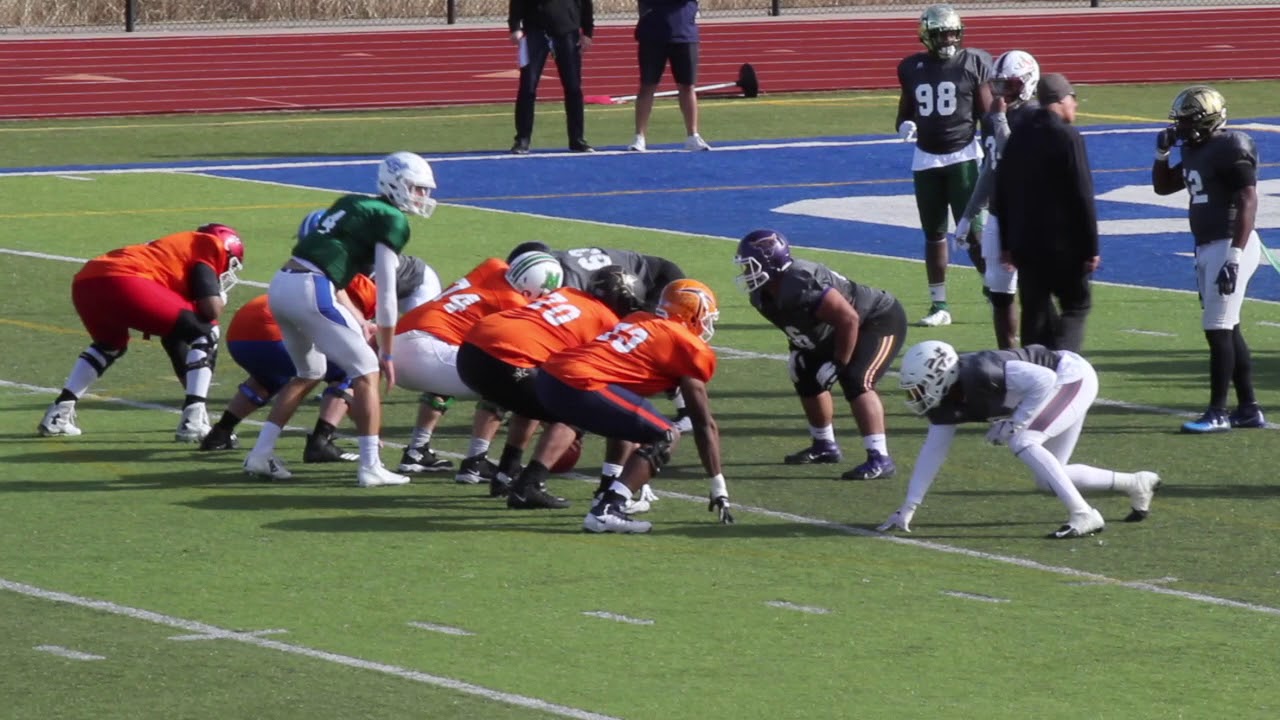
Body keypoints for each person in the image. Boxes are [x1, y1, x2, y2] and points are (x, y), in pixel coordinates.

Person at [241, 151, 437, 487]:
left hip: (282, 283)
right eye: (416, 188)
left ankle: (261, 453)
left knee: (309, 372)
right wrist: (387, 352)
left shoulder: (352, 202)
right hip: (311, 287)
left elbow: (332, 257)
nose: (422, 196)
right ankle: (371, 465)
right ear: (395, 184)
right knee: (367, 370)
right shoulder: (392, 219)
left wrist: (357, 317)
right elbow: (387, 294)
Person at [881, 340, 1162, 539]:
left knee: (1023, 440)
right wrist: (909, 507)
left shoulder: (982, 371)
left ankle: (1083, 514)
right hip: (1053, 388)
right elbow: (933, 452)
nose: (915, 396)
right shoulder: (944, 402)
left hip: (1071, 376)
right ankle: (1135, 483)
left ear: (941, 376)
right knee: (1048, 479)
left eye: (920, 388)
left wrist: (1016, 422)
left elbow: (1045, 379)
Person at [534, 279, 732, 533]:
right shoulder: (687, 344)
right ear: (692, 315)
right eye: (705, 317)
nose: (706, 324)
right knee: (666, 434)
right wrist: (718, 484)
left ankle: (606, 494)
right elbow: (703, 423)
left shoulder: (639, 319)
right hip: (579, 382)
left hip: (549, 378)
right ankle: (608, 509)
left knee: (631, 422)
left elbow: (624, 419)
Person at [457, 266, 643, 508]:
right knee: (576, 410)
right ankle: (530, 486)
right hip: (506, 358)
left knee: (535, 395)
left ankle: (506, 473)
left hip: (470, 351)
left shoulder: (567, 293)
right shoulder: (607, 322)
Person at [37, 224, 244, 442]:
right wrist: (219, 298)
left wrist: (194, 398)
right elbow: (210, 310)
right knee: (208, 330)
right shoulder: (209, 244)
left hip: (87, 281)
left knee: (110, 344)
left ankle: (58, 414)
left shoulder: (172, 257)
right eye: (231, 264)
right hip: (124, 280)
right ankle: (193, 421)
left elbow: (175, 343)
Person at [734, 229, 908, 480]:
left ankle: (880, 458)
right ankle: (824, 445)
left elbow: (849, 318)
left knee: (856, 379)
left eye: (751, 266)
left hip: (877, 319)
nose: (746, 273)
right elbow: (798, 322)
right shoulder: (762, 294)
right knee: (804, 371)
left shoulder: (801, 281)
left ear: (772, 263)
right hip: (836, 326)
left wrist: (839, 362)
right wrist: (798, 350)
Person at [391, 249, 565, 481]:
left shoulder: (492, 267)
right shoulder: (513, 304)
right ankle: (476, 461)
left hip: (401, 339)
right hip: (427, 349)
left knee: (449, 374)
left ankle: (417, 451)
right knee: (503, 378)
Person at [1152, 85, 1266, 433]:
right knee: (1228, 328)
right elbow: (1163, 186)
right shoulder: (1195, 149)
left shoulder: (1232, 146)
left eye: (1187, 121)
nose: (1181, 127)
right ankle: (1248, 409)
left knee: (1217, 329)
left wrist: (1234, 256)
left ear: (1208, 119)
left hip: (1230, 243)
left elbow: (1248, 198)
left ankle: (1218, 412)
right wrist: (1161, 154)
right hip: (1207, 246)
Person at [198, 273, 383, 464]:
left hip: (239, 337)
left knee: (269, 379)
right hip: (271, 337)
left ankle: (220, 433)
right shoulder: (331, 306)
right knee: (346, 373)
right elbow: (356, 381)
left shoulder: (313, 290)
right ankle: (321, 441)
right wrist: (369, 429)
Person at [895, 3, 992, 327]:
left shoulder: (973, 62)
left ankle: (994, 288)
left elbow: (986, 115)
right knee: (934, 234)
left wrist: (993, 149)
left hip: (963, 155)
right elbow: (904, 113)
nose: (949, 39)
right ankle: (939, 305)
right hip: (926, 158)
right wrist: (904, 126)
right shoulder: (911, 67)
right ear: (927, 35)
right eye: (942, 34)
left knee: (974, 233)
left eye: (952, 33)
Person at [993, 73, 1099, 353]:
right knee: (1076, 305)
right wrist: (1091, 247)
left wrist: (1007, 244)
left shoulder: (1019, 135)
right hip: (1064, 245)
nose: (1075, 105)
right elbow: (1082, 195)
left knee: (1035, 313)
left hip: (1025, 244)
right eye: (1073, 99)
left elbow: (1002, 190)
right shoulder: (1068, 136)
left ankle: (1035, 368)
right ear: (1061, 100)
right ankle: (1064, 359)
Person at [953, 50, 1041, 350]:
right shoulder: (996, 117)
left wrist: (1000, 117)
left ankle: (1039, 354)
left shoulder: (1035, 116)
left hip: (1031, 215)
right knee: (999, 290)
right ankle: (1009, 355)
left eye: (1011, 85)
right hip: (1000, 214)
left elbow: (1011, 154)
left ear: (1028, 82)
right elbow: (991, 168)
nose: (1004, 93)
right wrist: (968, 214)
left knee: (1033, 292)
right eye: (1000, 85)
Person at [508, 0, 595, 154]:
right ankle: (522, 139)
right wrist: (515, 26)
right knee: (528, 86)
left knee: (573, 87)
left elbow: (586, 3)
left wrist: (587, 32)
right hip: (535, 31)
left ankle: (577, 140)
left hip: (567, 31)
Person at [627, 0, 710, 152]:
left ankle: (692, 135)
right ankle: (639, 136)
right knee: (647, 85)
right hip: (652, 33)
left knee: (687, 85)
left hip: (684, 33)